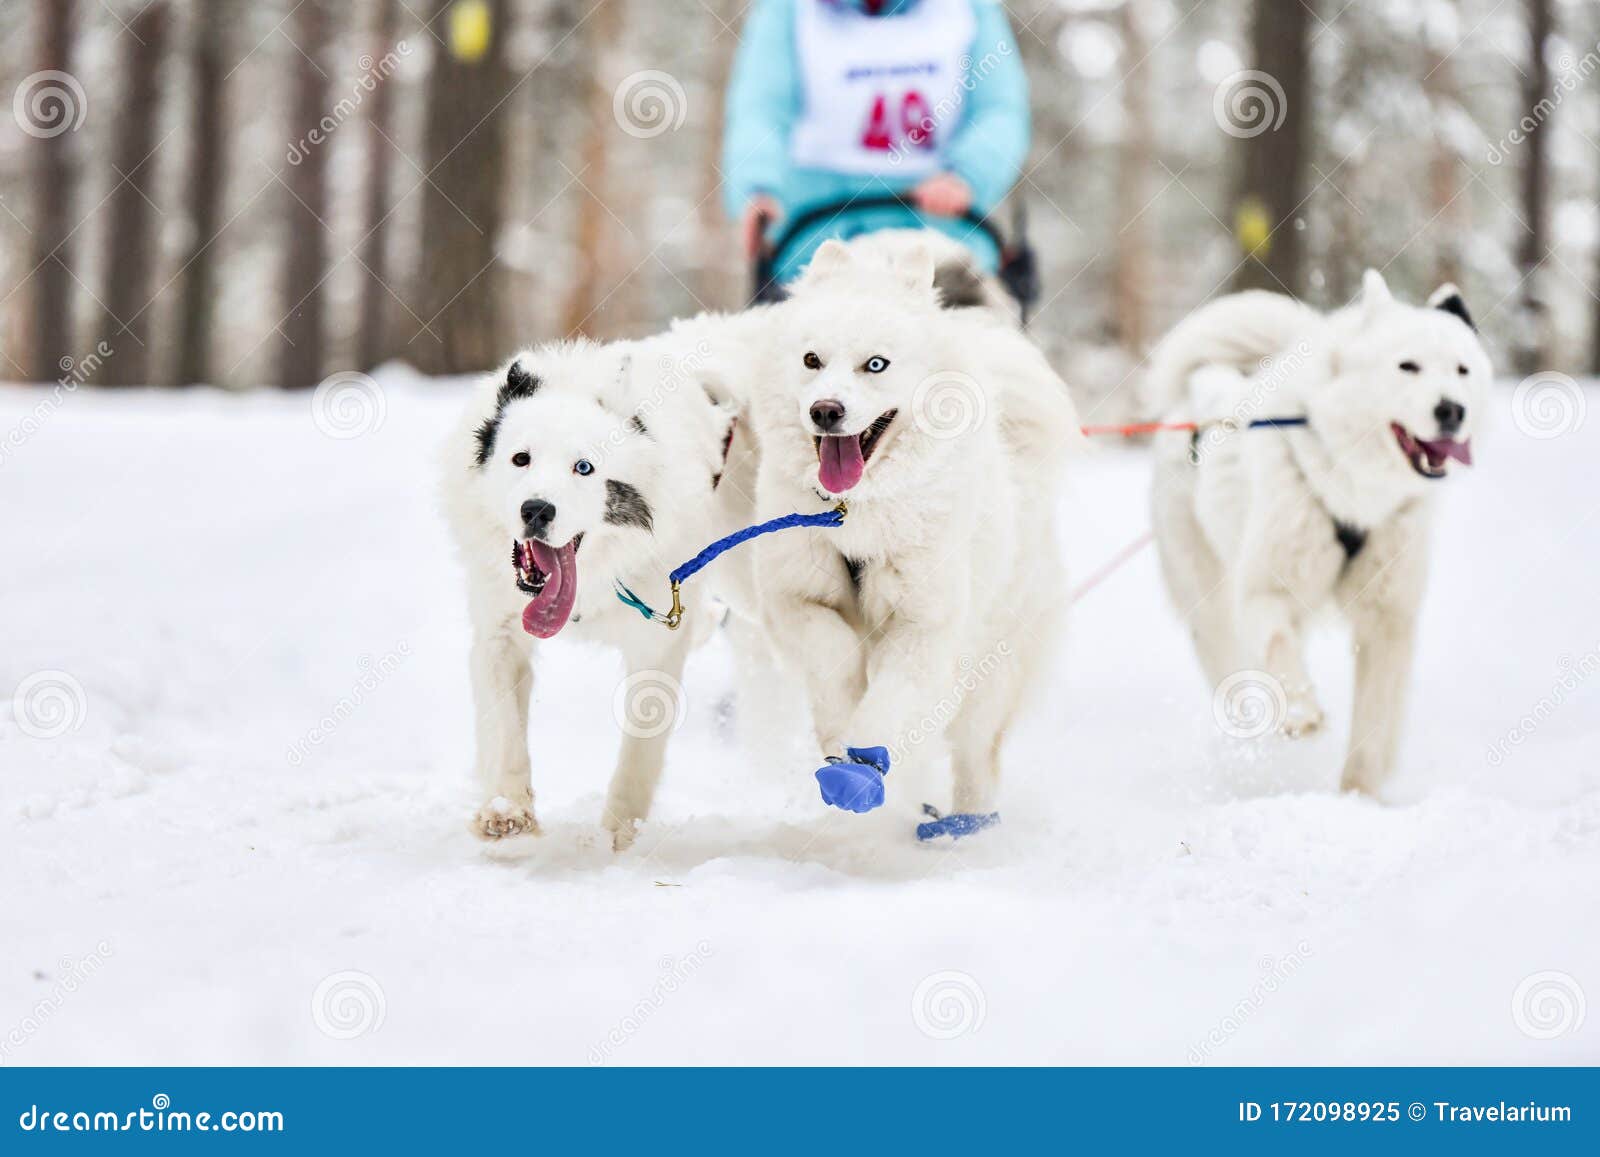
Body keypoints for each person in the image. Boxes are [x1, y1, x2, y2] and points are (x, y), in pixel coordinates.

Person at [723, 0, 1030, 290]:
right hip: (816, 233)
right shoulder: (789, 9)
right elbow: (761, 109)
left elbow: (999, 109)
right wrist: (757, 189)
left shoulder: (969, 8)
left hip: (942, 228)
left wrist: (968, 176)